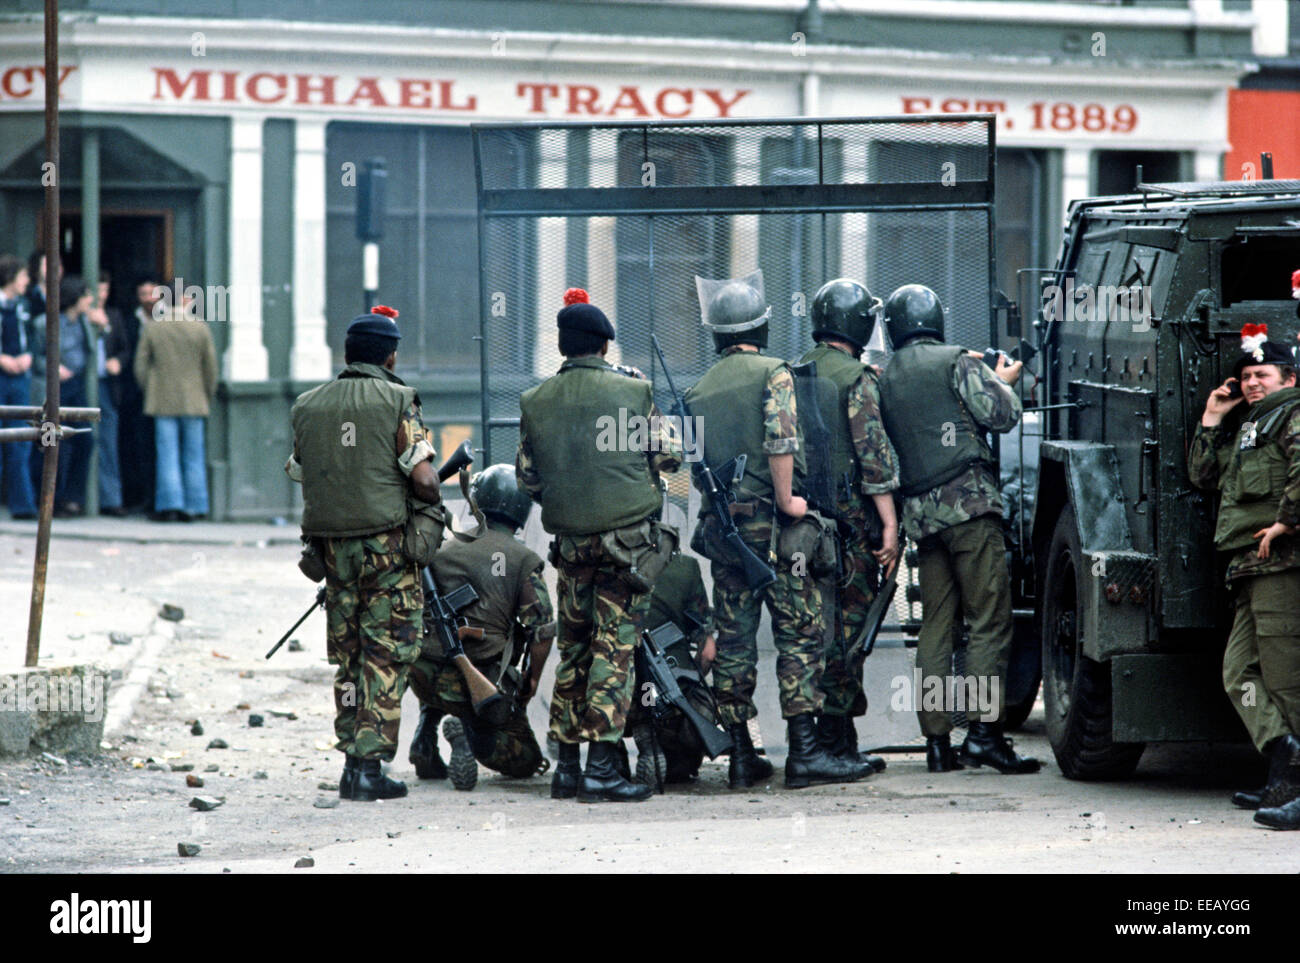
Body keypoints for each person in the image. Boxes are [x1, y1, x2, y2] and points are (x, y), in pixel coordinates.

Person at [684, 270, 865, 790]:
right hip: (780, 535)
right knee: (800, 634)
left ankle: (742, 755)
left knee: (735, 639)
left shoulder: (696, 391)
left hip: (728, 534)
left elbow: (695, 468)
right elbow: (780, 440)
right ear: (761, 327)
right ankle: (805, 754)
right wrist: (788, 501)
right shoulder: (775, 373)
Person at [517, 287, 681, 803]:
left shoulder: (534, 400)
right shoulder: (633, 393)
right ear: (605, 347)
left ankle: (567, 765)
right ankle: (604, 766)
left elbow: (528, 480)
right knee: (615, 649)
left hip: (570, 547)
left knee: (576, 648)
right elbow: (670, 457)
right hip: (626, 545)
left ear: (564, 347)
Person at [877, 283, 1039, 774]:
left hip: (922, 520)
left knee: (936, 627)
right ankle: (985, 735)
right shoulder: (957, 361)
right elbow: (1005, 415)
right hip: (969, 508)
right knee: (989, 620)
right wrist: (1001, 379)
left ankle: (937, 744)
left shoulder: (884, 377)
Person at [287, 305, 441, 802]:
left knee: (349, 657)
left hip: (333, 555)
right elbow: (425, 482)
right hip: (387, 552)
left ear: (347, 354)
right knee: (387, 653)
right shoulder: (398, 400)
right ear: (391, 357)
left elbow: (297, 469)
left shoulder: (308, 405)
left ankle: (353, 762)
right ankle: (369, 768)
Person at [1188, 324, 1300, 830]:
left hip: (1281, 565)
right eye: (1247, 375)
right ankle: (1283, 756)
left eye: (1263, 374)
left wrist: (1287, 519)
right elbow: (1204, 476)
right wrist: (1213, 417)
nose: (1252, 382)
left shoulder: (1292, 414)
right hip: (1250, 568)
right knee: (1241, 676)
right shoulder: (1254, 426)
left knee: (1286, 679)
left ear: (1288, 377)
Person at [795, 278, 899, 773]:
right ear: (858, 324)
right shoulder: (859, 377)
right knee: (848, 631)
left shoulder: (790, 372)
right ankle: (835, 742)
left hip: (800, 526)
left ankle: (820, 739)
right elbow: (874, 460)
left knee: (809, 631)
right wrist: (890, 527)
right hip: (849, 528)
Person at [407, 464, 555, 791]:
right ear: (523, 509)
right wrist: (530, 681)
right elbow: (542, 630)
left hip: (423, 677)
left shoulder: (443, 548)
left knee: (439, 647)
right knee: (526, 761)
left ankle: (425, 736)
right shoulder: (523, 559)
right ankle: (474, 740)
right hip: (477, 687)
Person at [626, 548, 720, 789]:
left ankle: (615, 757)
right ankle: (683, 757)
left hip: (627, 690)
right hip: (677, 685)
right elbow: (708, 651)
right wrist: (694, 676)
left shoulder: (616, 563)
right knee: (692, 709)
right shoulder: (685, 566)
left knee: (632, 694)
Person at [133, 284, 217, 521]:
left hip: (161, 399)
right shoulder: (200, 329)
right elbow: (210, 369)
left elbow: (140, 365)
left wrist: (150, 388)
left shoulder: (154, 328)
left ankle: (170, 504)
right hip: (194, 399)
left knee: (167, 452)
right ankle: (195, 505)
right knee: (193, 453)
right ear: (186, 300)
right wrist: (206, 393)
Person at [29, 275, 96, 517]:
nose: (90, 300)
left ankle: (71, 498)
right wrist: (52, 367)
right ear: (75, 298)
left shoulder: (84, 323)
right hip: (52, 388)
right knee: (52, 442)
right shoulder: (44, 323)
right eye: (86, 295)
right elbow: (34, 357)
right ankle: (48, 499)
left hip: (76, 386)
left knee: (85, 441)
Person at [118, 276, 161, 512]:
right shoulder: (129, 321)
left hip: (161, 395)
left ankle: (155, 499)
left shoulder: (167, 320)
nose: (147, 299)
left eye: (151, 293)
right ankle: (137, 496)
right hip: (133, 394)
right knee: (134, 446)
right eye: (143, 294)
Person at [87, 272, 128, 516]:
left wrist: (118, 362)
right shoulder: (78, 315)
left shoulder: (114, 316)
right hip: (84, 385)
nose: (101, 296)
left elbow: (125, 348)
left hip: (107, 386)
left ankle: (111, 498)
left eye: (105, 291)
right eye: (97, 291)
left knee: (108, 443)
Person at [0, 255, 36, 519]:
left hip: (19, 377)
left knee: (20, 439)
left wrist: (28, 356)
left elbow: (32, 337)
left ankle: (22, 505)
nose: (27, 281)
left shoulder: (23, 306)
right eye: (23, 276)